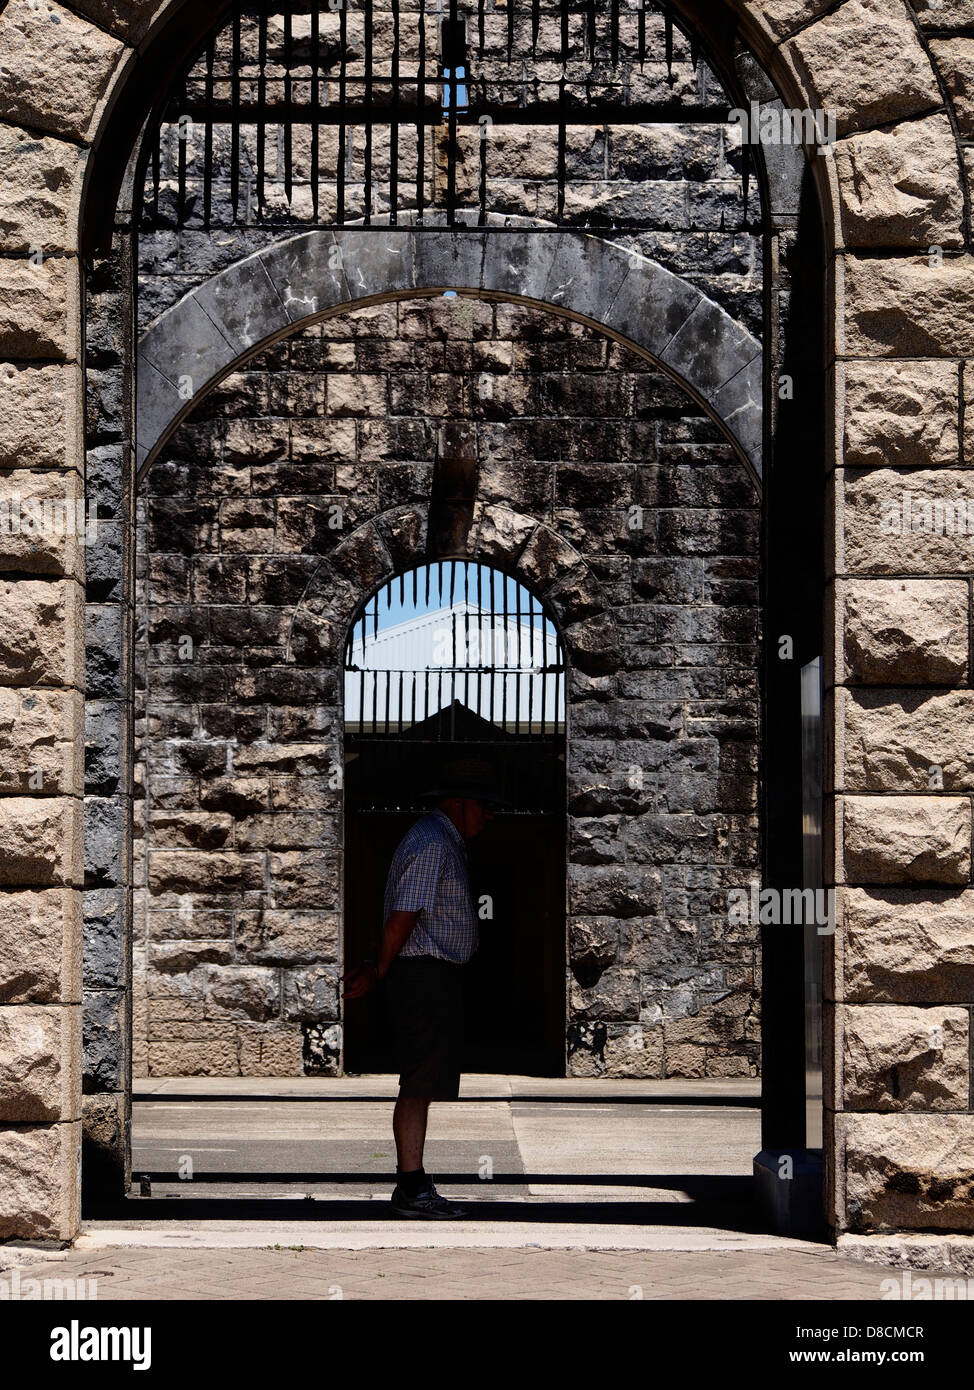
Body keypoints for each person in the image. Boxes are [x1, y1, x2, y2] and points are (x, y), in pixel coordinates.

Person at [341, 758, 504, 1219]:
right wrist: (376, 970)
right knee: (417, 1084)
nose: (491, 815)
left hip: (430, 973)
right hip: (423, 974)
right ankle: (411, 1187)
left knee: (422, 1083)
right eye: (486, 805)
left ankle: (413, 1183)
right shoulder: (433, 843)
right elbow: (402, 917)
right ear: (457, 803)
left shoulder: (441, 840)